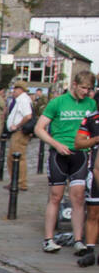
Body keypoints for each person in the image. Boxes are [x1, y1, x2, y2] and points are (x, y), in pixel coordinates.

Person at [35, 69, 96, 252]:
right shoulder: (57, 102)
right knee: (56, 196)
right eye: (83, 88)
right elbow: (39, 128)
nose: (86, 92)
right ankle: (48, 239)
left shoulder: (91, 104)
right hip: (59, 154)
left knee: (78, 197)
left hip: (80, 154)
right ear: (74, 85)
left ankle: (78, 239)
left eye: (89, 88)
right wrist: (55, 143)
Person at [72, 109, 99, 266]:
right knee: (93, 212)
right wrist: (95, 139)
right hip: (95, 171)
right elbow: (79, 142)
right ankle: (90, 251)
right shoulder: (91, 118)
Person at [5, 81, 33, 192]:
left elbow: (28, 116)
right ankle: (15, 180)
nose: (14, 91)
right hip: (17, 132)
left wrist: (17, 126)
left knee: (18, 157)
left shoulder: (23, 99)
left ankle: (20, 182)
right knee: (11, 157)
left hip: (20, 132)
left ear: (20, 89)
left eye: (15, 89)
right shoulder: (21, 99)